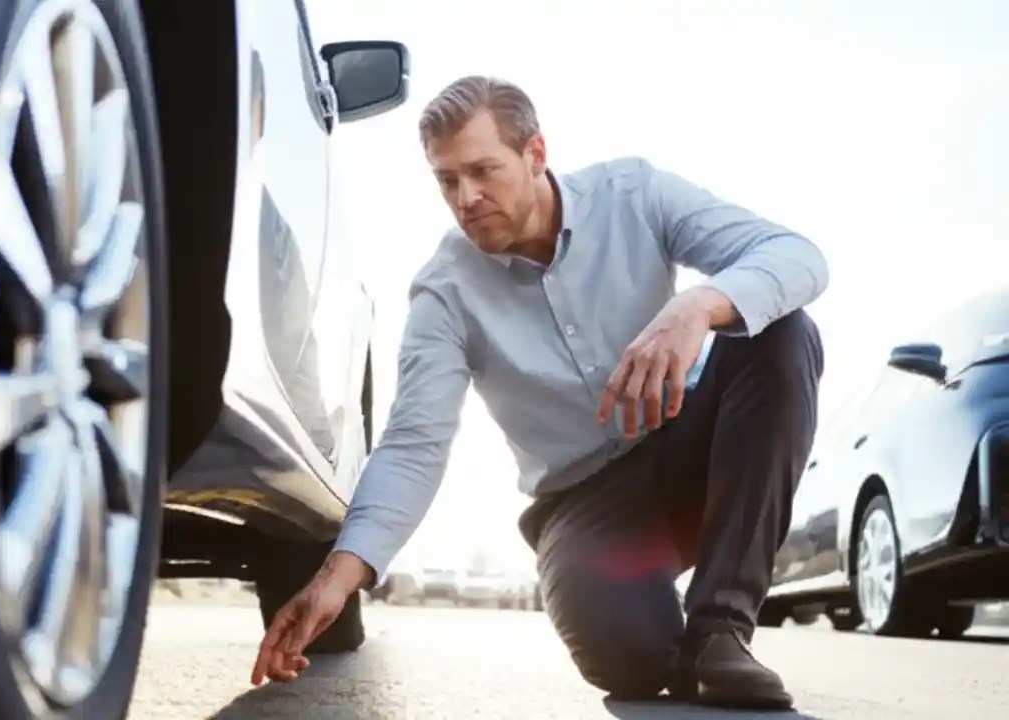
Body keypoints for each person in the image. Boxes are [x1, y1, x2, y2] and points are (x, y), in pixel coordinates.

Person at [250, 75, 827, 710]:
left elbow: (794, 255)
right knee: (633, 665)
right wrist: (337, 577)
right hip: (583, 504)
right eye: (446, 181)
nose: (465, 198)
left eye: (483, 170)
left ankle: (722, 630)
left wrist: (698, 305)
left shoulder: (633, 195)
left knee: (780, 328)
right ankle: (662, 637)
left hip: (691, 448)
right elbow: (415, 443)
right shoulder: (444, 293)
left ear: (535, 155)